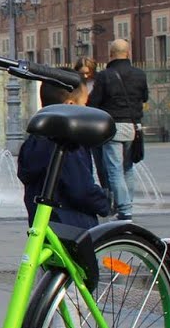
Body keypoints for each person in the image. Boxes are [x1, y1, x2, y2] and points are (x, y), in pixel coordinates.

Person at [17, 79, 112, 228]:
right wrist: (104, 202)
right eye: (85, 104)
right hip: (72, 225)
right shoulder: (67, 144)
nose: (87, 108)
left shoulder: (34, 141)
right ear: (70, 106)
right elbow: (80, 189)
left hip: (42, 222)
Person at [86, 39, 148, 220]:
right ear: (128, 53)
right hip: (133, 126)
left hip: (112, 127)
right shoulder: (139, 74)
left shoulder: (105, 76)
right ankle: (127, 206)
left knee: (114, 170)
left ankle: (124, 209)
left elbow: (94, 102)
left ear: (110, 54)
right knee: (128, 168)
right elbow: (144, 97)